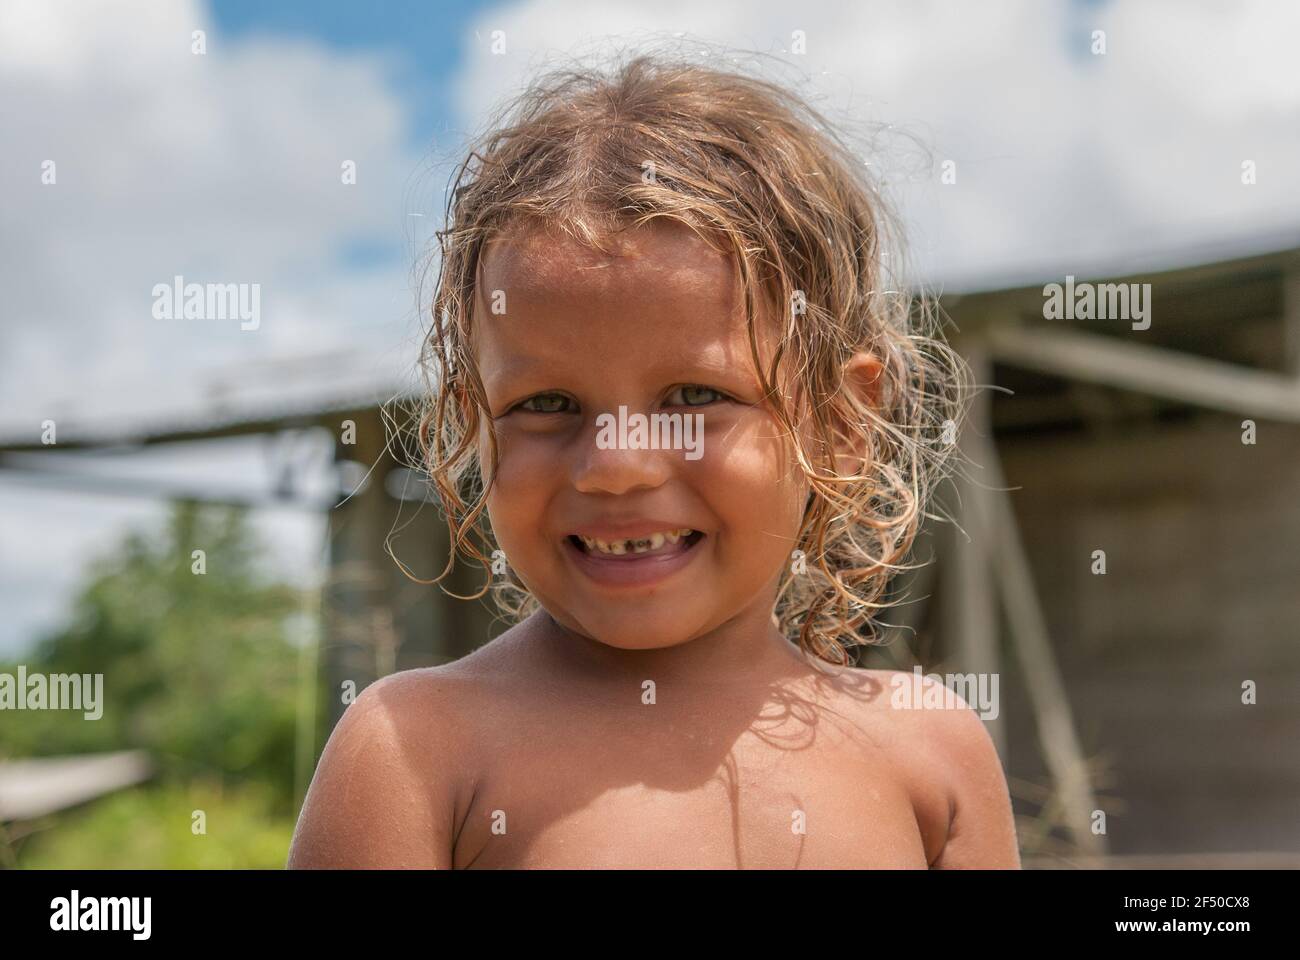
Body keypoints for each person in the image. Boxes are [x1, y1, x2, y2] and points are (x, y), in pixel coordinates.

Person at [288, 51, 1019, 869]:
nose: (617, 466)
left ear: (840, 423)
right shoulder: (413, 754)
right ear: (475, 429)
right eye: (547, 405)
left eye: (694, 398)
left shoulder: (930, 755)